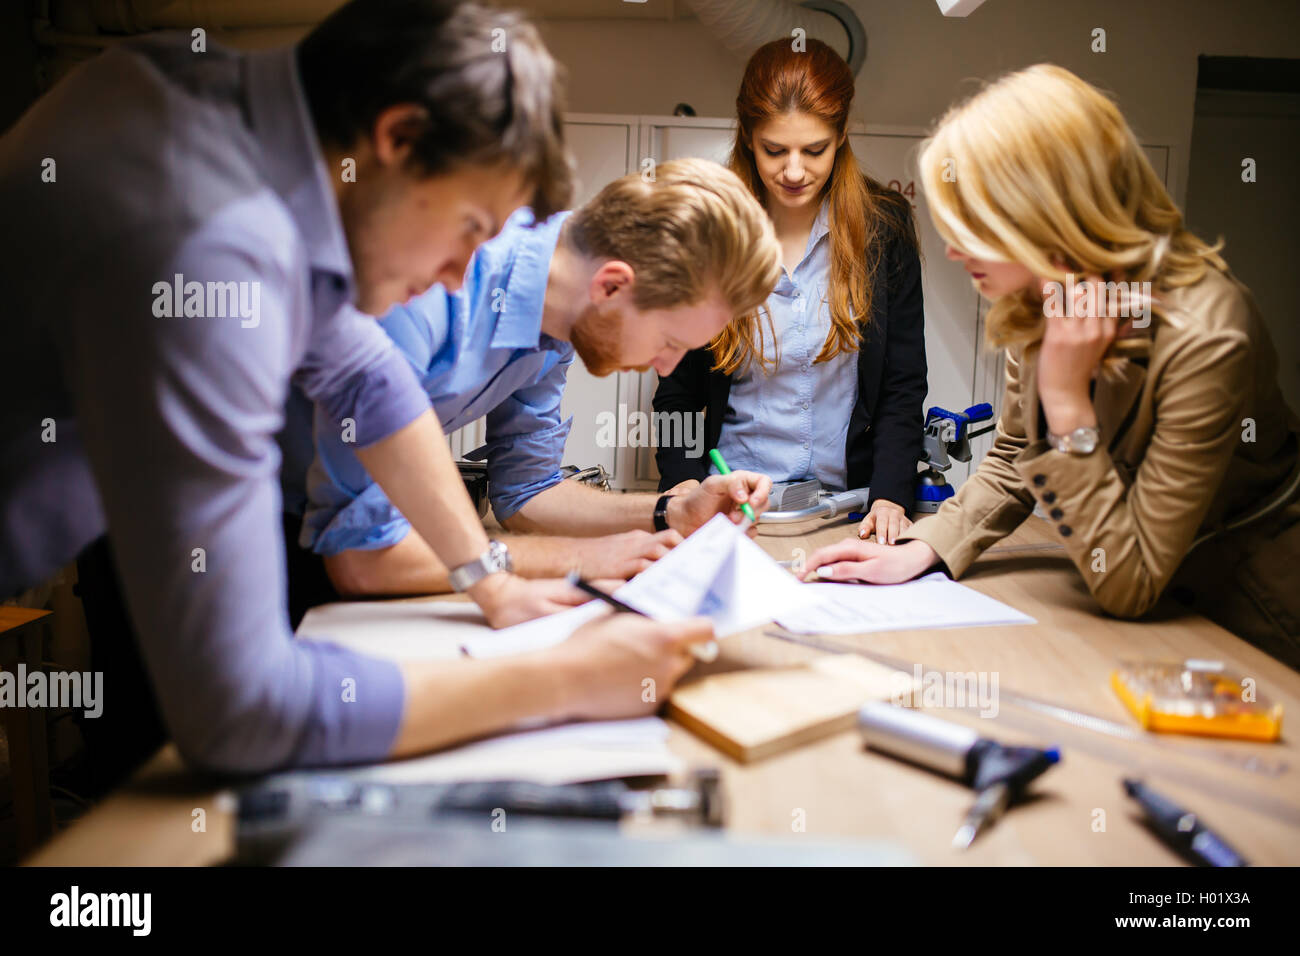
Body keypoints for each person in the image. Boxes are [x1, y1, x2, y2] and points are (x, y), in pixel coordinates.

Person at [0, 0, 709, 776]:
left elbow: (363, 375)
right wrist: (567, 678)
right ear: (397, 140)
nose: (457, 273)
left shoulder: (211, 106)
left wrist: (489, 580)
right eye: (471, 227)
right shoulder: (207, 250)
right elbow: (243, 715)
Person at [803, 64, 1300, 670]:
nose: (954, 250)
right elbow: (1014, 458)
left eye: (976, 226)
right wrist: (924, 548)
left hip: (1251, 607)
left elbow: (1129, 581)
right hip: (1142, 599)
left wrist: (1065, 401)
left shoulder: (1210, 333)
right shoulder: (1044, 294)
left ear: (1050, 215)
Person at [294, 159, 782, 600]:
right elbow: (361, 560)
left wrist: (670, 512)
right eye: (670, 341)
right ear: (611, 285)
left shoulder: (562, 320)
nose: (668, 367)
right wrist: (574, 559)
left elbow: (527, 492)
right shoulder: (430, 280)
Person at [654, 38, 927, 546]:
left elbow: (901, 385)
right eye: (775, 150)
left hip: (849, 510)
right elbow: (679, 392)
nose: (795, 171)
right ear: (748, 137)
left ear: (842, 134)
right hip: (735, 511)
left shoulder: (883, 229)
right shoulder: (709, 232)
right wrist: (681, 482)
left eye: (815, 149)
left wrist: (891, 493)